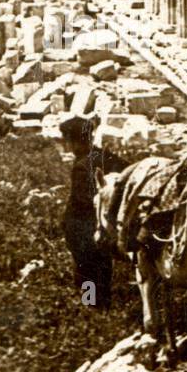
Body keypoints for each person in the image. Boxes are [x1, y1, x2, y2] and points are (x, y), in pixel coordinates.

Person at [59, 115, 119, 310]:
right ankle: (104, 305)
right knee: (103, 269)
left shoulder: (81, 166)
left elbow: (80, 201)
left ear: (72, 140)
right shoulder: (105, 156)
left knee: (86, 271)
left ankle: (91, 308)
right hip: (104, 225)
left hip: (83, 230)